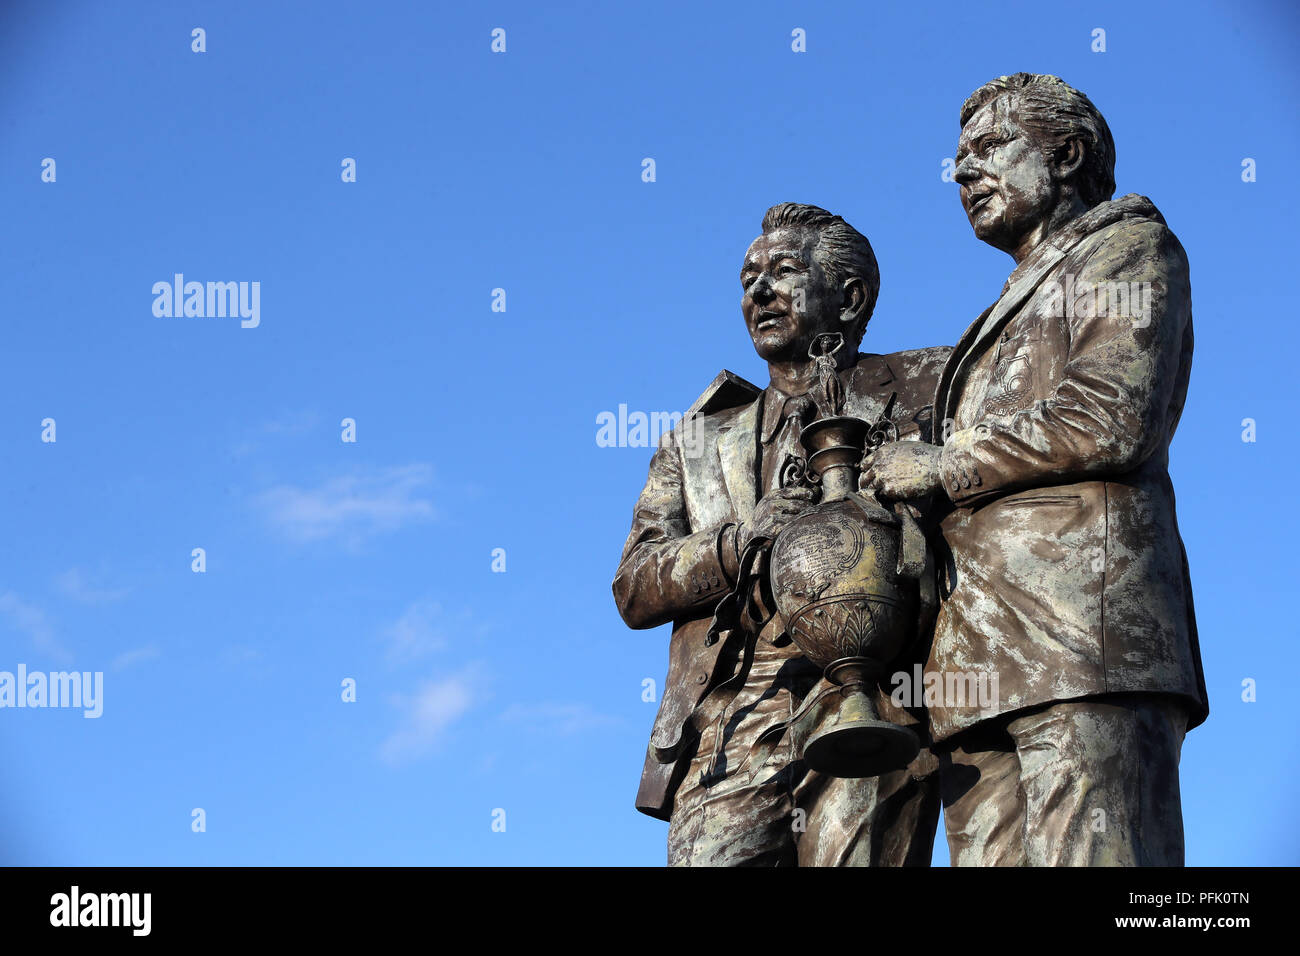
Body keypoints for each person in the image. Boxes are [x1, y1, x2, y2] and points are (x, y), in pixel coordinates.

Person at [863, 74, 1208, 866]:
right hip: (977, 673)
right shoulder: (999, 307)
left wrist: (942, 464)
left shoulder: (1125, 246)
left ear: (1069, 155)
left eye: (989, 149)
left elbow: (1110, 419)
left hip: (1085, 644)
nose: (963, 171)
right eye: (958, 158)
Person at [614, 202, 948, 865]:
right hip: (735, 720)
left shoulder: (929, 387)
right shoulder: (697, 442)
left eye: (783, 271)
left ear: (849, 297)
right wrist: (737, 542)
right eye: (746, 279)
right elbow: (634, 585)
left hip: (884, 695)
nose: (758, 292)